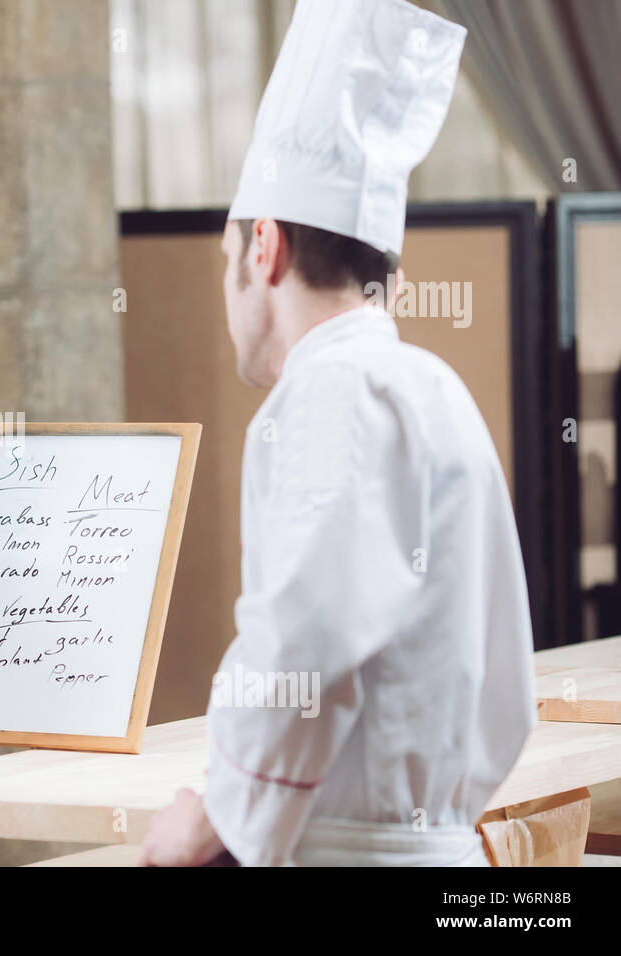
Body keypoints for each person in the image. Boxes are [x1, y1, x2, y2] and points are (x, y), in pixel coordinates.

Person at [140, 0, 535, 866]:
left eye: (225, 258)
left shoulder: (332, 393)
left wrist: (212, 818)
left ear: (265, 250)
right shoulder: (431, 385)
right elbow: (511, 689)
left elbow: (306, 638)